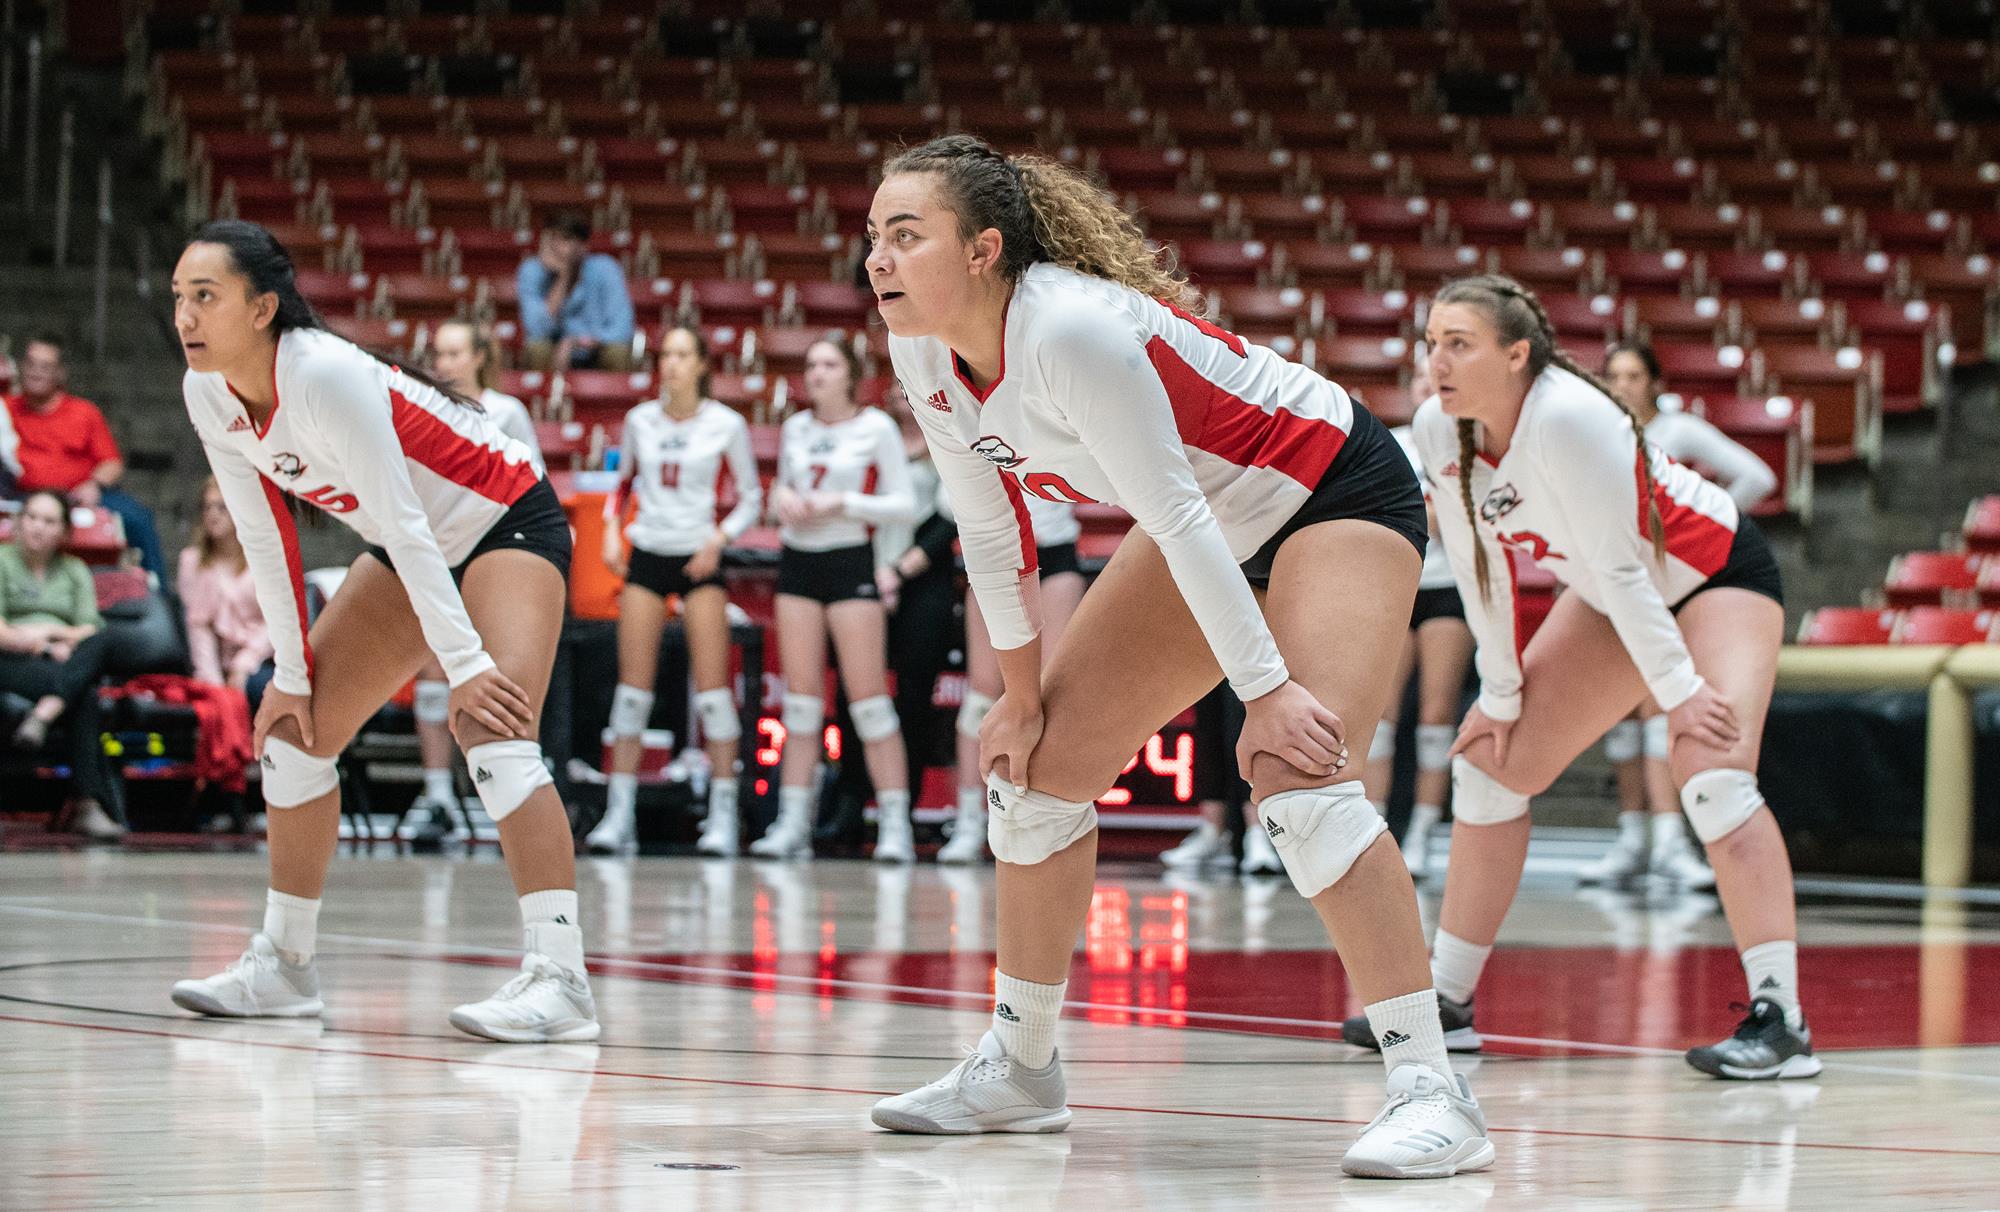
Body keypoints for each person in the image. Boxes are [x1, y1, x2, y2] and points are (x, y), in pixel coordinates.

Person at [865, 135, 1491, 1178]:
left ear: (980, 250)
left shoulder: (1068, 329)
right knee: (1032, 771)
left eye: (904, 236)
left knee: (1300, 776)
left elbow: (1181, 518)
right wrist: (1018, 697)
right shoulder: (923, 348)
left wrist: (1268, 692)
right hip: (1209, 523)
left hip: (1327, 486)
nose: (878, 260)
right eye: (872, 238)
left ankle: (1433, 1089)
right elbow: (988, 530)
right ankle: (1019, 1071)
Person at [1342, 274, 1817, 1082]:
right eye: (1430, 344)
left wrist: (1679, 694)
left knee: (1711, 775)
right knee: (1490, 764)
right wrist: (1498, 697)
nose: (1435, 362)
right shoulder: (1436, 427)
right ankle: (1447, 1003)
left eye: (1458, 344)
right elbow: (1476, 564)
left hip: (1714, 575)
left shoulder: (1570, 415)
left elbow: (1626, 570)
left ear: (1517, 354)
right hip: (1609, 593)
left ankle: (1783, 1021)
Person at [166, 219, 599, 1043]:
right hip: (414, 546)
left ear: (262, 309)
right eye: (180, 299)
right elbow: (265, 537)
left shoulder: (322, 373)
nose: (185, 316)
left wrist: (465, 664)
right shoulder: (207, 392)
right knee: (295, 736)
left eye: (206, 297)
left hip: (505, 518)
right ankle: (284, 967)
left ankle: (560, 979)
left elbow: (402, 523)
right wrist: (290, 675)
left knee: (492, 724)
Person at [1585, 341, 1777, 888]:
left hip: (1665, 584)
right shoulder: (1594, 435)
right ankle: (1631, 840)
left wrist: (1704, 525)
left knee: (1655, 708)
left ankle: (1670, 841)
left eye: (1632, 375)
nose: (1622, 384)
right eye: (1613, 375)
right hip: (1604, 579)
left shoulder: (1679, 430)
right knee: (1618, 721)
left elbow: (1758, 476)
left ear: (1653, 382)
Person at [589, 324, 760, 855]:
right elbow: (618, 486)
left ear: (703, 365)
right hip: (649, 555)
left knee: (713, 695)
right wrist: (613, 531)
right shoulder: (640, 420)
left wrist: (719, 537)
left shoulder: (726, 424)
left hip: (697, 558)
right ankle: (619, 816)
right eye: (667, 355)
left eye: (684, 355)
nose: (673, 364)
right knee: (632, 694)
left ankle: (723, 815)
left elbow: (753, 498)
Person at [750, 339, 918, 862]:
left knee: (868, 704)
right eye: (811, 364)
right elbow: (782, 493)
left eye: (828, 364)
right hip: (799, 563)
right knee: (800, 706)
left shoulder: (876, 428)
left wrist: (841, 502)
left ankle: (894, 826)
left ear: (851, 376)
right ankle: (792, 823)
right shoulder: (797, 429)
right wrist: (781, 500)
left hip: (850, 562)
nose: (816, 373)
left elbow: (904, 503)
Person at [398, 320, 547, 848]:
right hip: (438, 552)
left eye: (455, 352)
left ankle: (498, 793)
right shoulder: (424, 404)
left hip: (495, 551)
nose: (444, 364)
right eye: (439, 353)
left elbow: (535, 480)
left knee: (496, 673)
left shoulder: (508, 412)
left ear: (481, 357)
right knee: (434, 675)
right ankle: (437, 795)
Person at [936, 487, 1085, 864]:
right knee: (980, 698)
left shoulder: (1058, 428)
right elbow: (946, 497)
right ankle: (970, 820)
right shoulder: (978, 432)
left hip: (1053, 556)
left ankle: (1048, 816)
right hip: (996, 561)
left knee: (1053, 695)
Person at [1360, 409, 1474, 881]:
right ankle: (1372, 831)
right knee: (1380, 717)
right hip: (1396, 583)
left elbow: (1470, 519)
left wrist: (1429, 513)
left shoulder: (1471, 445)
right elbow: (1374, 506)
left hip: (1450, 588)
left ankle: (1424, 832)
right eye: (1422, 385)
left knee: (1436, 715)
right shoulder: (1393, 440)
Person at [0, 488, 124, 839]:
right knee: (82, 691)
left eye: (49, 520)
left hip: (60, 663)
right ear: (18, 523)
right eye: (32, 517)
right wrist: (46, 638)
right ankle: (86, 805)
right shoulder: (2, 560)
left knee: (102, 643)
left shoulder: (74, 570)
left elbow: (90, 630)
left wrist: (59, 641)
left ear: (64, 531)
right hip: (10, 660)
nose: (39, 527)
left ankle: (44, 713)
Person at [872, 381, 964, 842]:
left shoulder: (944, 440)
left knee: (913, 698)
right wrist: (876, 574)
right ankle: (851, 802)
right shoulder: (874, 440)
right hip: (868, 578)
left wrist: (899, 572)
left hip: (923, 581)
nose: (901, 393)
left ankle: (902, 808)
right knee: (862, 699)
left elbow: (950, 520)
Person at [6, 333, 168, 578]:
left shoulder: (83, 412)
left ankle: (158, 595)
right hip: (23, 497)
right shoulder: (5, 409)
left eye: (45, 366)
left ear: (61, 373)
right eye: (31, 364)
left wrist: (93, 485)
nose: (35, 372)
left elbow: (112, 464)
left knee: (138, 518)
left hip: (79, 496)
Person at [516, 213, 635, 372]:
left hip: (595, 348)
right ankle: (541, 397)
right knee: (537, 349)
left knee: (617, 352)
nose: (556, 246)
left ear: (583, 246)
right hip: (554, 350)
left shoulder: (606, 268)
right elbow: (537, 330)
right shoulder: (532, 271)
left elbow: (622, 329)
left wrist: (574, 342)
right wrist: (563, 278)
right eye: (552, 239)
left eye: (564, 239)